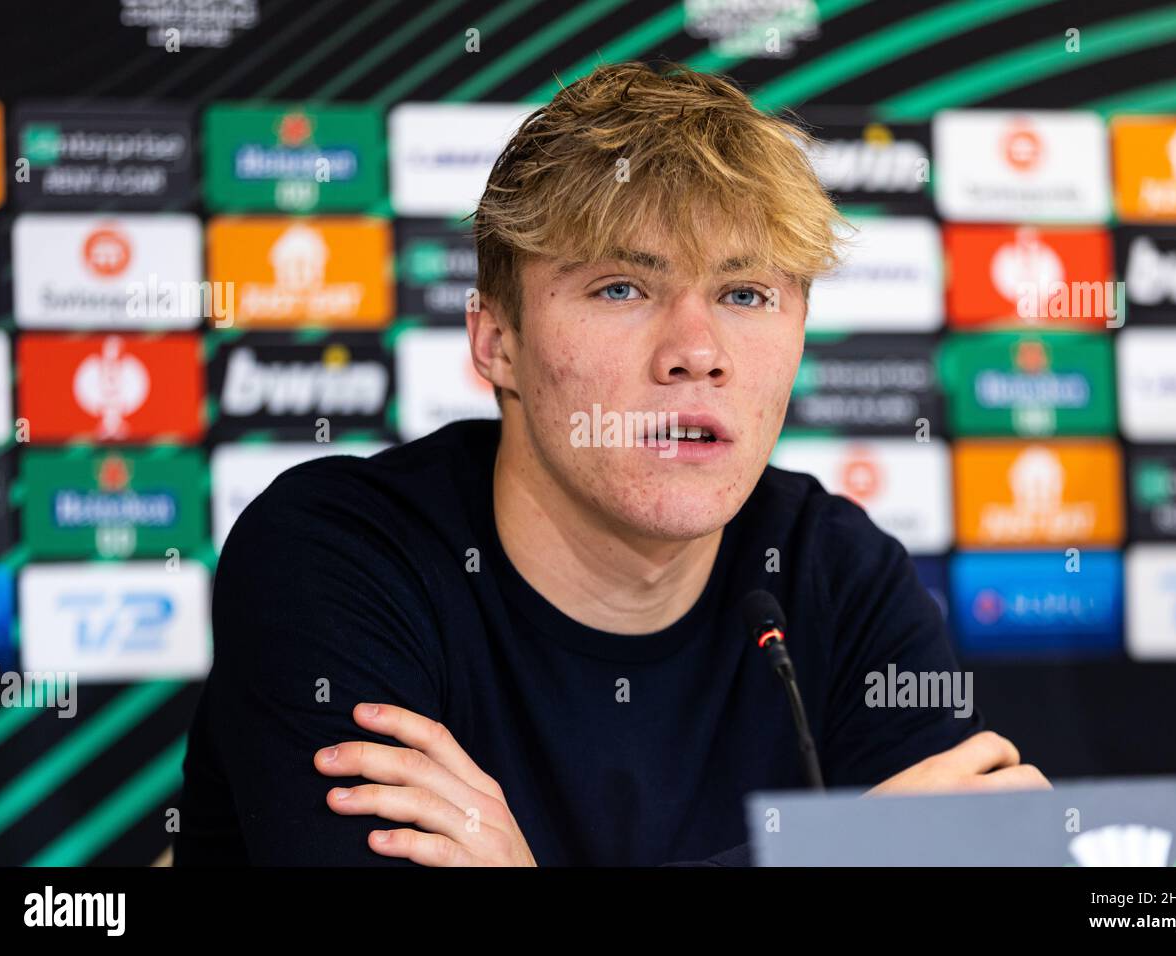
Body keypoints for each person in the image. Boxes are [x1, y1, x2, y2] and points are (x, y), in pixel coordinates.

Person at [175, 61, 1048, 867]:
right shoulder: (337, 558)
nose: (697, 352)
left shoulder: (837, 574)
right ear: (496, 341)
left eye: (745, 294)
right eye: (622, 288)